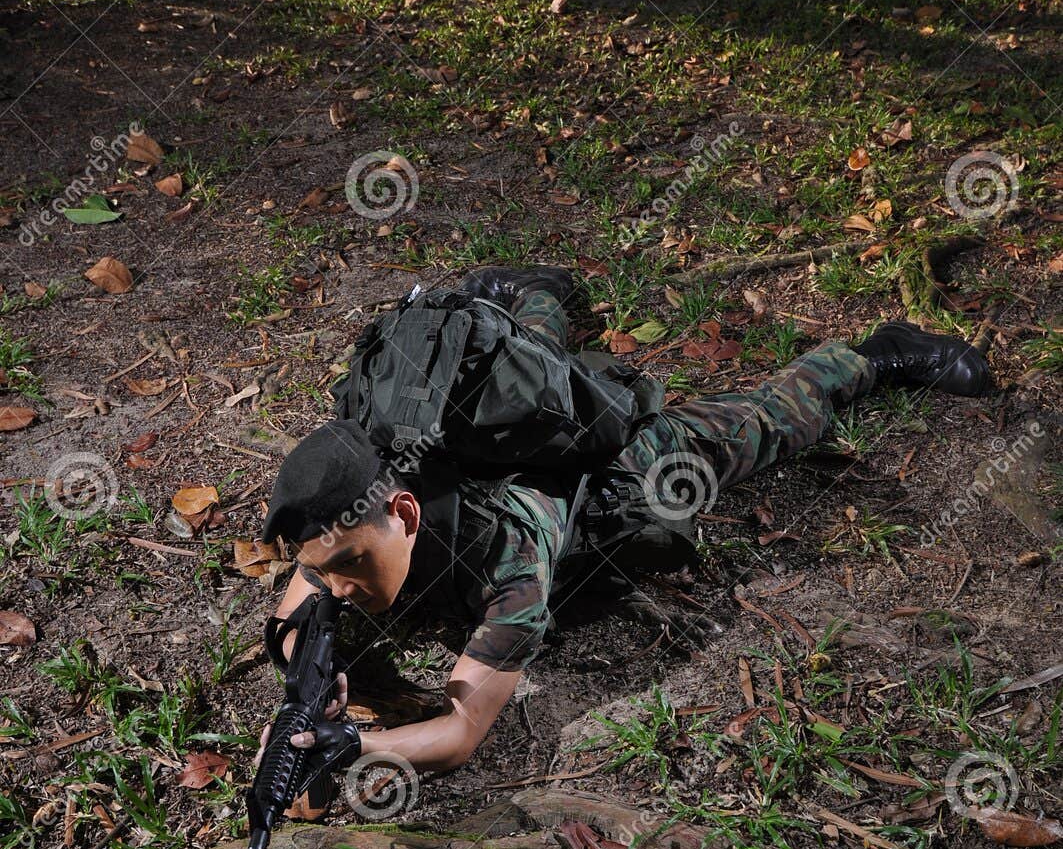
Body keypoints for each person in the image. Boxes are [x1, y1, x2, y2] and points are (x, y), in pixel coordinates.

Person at [256, 264, 992, 810]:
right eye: (330, 571)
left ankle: (875, 355)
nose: (339, 587)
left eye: (351, 567)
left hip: (611, 468)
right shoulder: (347, 510)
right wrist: (303, 694)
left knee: (769, 422)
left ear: (405, 516)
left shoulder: (512, 554)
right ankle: (539, 291)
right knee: (536, 356)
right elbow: (300, 609)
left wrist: (356, 745)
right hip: (515, 433)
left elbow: (459, 730)